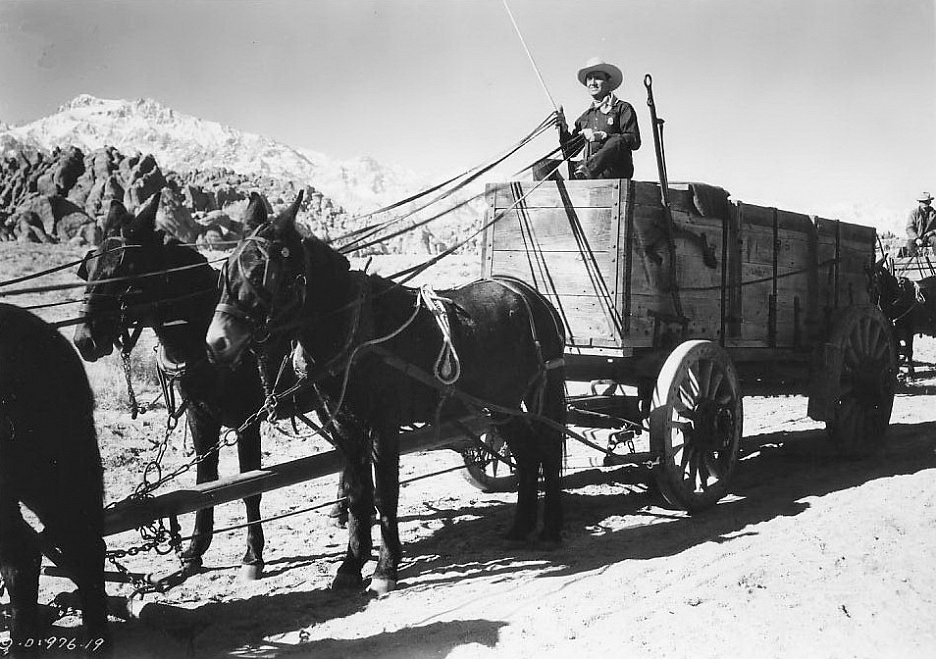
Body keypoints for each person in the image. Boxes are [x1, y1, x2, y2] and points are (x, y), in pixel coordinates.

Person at [559, 57, 641, 180]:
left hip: (615, 170)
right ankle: (585, 172)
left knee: (617, 140)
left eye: (597, 77)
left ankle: (587, 171)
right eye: (589, 78)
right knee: (543, 167)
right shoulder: (585, 117)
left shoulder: (622, 108)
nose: (592, 83)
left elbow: (634, 141)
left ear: (609, 82)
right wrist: (563, 129)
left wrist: (604, 136)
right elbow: (570, 153)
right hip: (585, 171)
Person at [905, 191, 936, 256]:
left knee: (935, 240)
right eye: (922, 202)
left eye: (926, 201)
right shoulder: (914, 213)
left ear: (929, 202)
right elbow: (909, 228)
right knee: (909, 244)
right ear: (919, 202)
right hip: (916, 237)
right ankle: (916, 262)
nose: (924, 204)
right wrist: (916, 238)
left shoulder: (934, 214)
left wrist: (930, 233)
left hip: (929, 237)